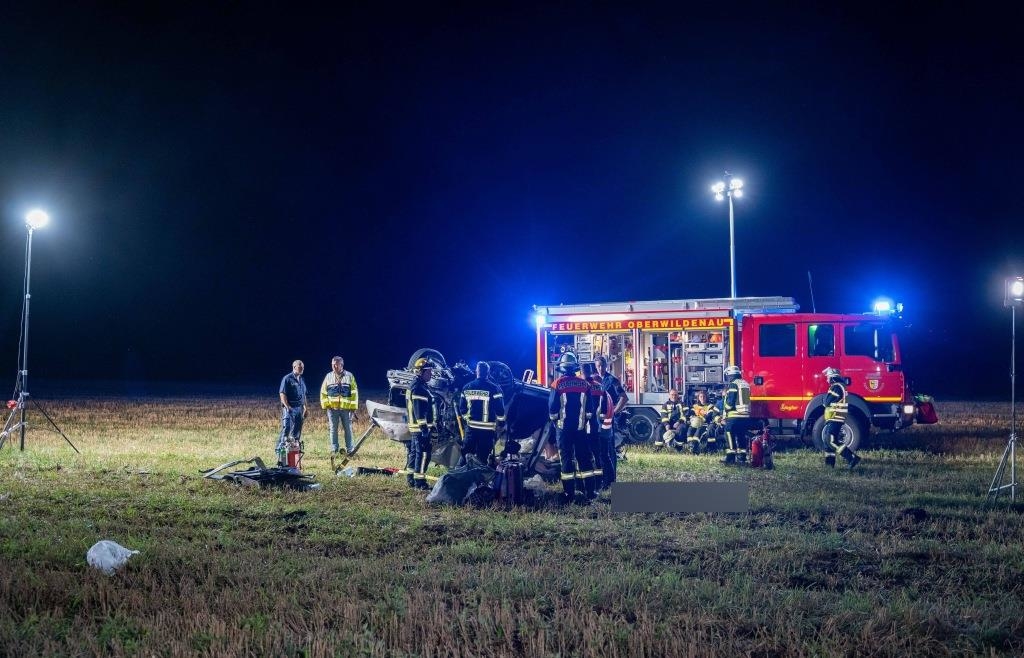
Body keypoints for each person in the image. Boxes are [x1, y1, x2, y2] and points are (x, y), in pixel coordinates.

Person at [548, 353, 598, 503]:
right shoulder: (585, 385)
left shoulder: (556, 384)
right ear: (575, 367)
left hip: (563, 430)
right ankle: (590, 491)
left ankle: (569, 493)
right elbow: (590, 409)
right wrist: (585, 421)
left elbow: (552, 408)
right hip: (580, 429)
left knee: (566, 459)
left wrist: (555, 422)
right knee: (585, 459)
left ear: (562, 369)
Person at [457, 361, 506, 465]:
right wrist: (501, 424)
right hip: (487, 430)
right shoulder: (495, 388)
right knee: (482, 458)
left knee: (465, 455)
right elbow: (500, 410)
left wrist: (467, 419)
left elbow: (462, 408)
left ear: (476, 372)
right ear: (488, 373)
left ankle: (459, 476)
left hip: (471, 428)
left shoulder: (467, 387)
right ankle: (478, 479)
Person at [594, 355, 627, 488]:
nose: (600, 368)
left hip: (607, 419)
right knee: (599, 449)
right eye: (598, 366)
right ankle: (602, 477)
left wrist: (614, 411)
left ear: (606, 366)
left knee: (609, 448)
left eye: (602, 366)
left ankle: (611, 478)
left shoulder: (612, 380)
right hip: (596, 420)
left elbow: (623, 398)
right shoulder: (594, 380)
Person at [405, 357, 438, 489]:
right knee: (424, 454)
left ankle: (411, 479)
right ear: (420, 372)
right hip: (420, 429)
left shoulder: (416, 385)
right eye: (428, 372)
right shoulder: (419, 388)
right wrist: (424, 428)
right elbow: (419, 411)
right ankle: (420, 482)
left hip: (415, 428)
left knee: (414, 453)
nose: (431, 374)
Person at [822, 367, 861, 469]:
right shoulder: (839, 386)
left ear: (833, 378)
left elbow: (826, 402)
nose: (827, 380)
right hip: (833, 418)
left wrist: (824, 399)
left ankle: (852, 458)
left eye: (828, 377)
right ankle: (829, 465)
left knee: (831, 441)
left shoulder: (836, 387)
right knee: (827, 442)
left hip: (835, 418)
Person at [320, 356, 359, 454]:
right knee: (333, 429)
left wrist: (353, 408)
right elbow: (323, 392)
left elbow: (354, 393)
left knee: (348, 429)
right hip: (332, 409)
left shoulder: (349, 376)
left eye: (335, 364)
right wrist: (327, 405)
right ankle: (334, 449)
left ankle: (350, 449)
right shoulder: (328, 376)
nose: (333, 366)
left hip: (346, 409)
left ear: (341, 364)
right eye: (332, 364)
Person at [583, 362, 613, 484]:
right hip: (603, 427)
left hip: (591, 428)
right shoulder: (602, 390)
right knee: (604, 455)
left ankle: (597, 482)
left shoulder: (585, 387)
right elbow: (606, 409)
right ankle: (608, 481)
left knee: (592, 456)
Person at [276, 360, 307, 466]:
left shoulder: (301, 380)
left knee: (297, 431)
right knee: (286, 429)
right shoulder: (287, 378)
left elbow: (303, 395)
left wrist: (305, 407)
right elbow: (282, 394)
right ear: (294, 367)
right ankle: (280, 452)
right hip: (289, 408)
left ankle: (294, 450)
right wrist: (287, 406)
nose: (302, 369)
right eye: (300, 367)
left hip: (299, 408)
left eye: (302, 367)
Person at [722, 364, 753, 464]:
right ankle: (742, 457)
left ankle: (730, 457)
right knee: (741, 435)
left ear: (730, 375)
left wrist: (725, 409)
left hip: (734, 416)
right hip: (745, 416)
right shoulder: (745, 383)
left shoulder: (733, 384)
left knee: (728, 432)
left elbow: (730, 402)